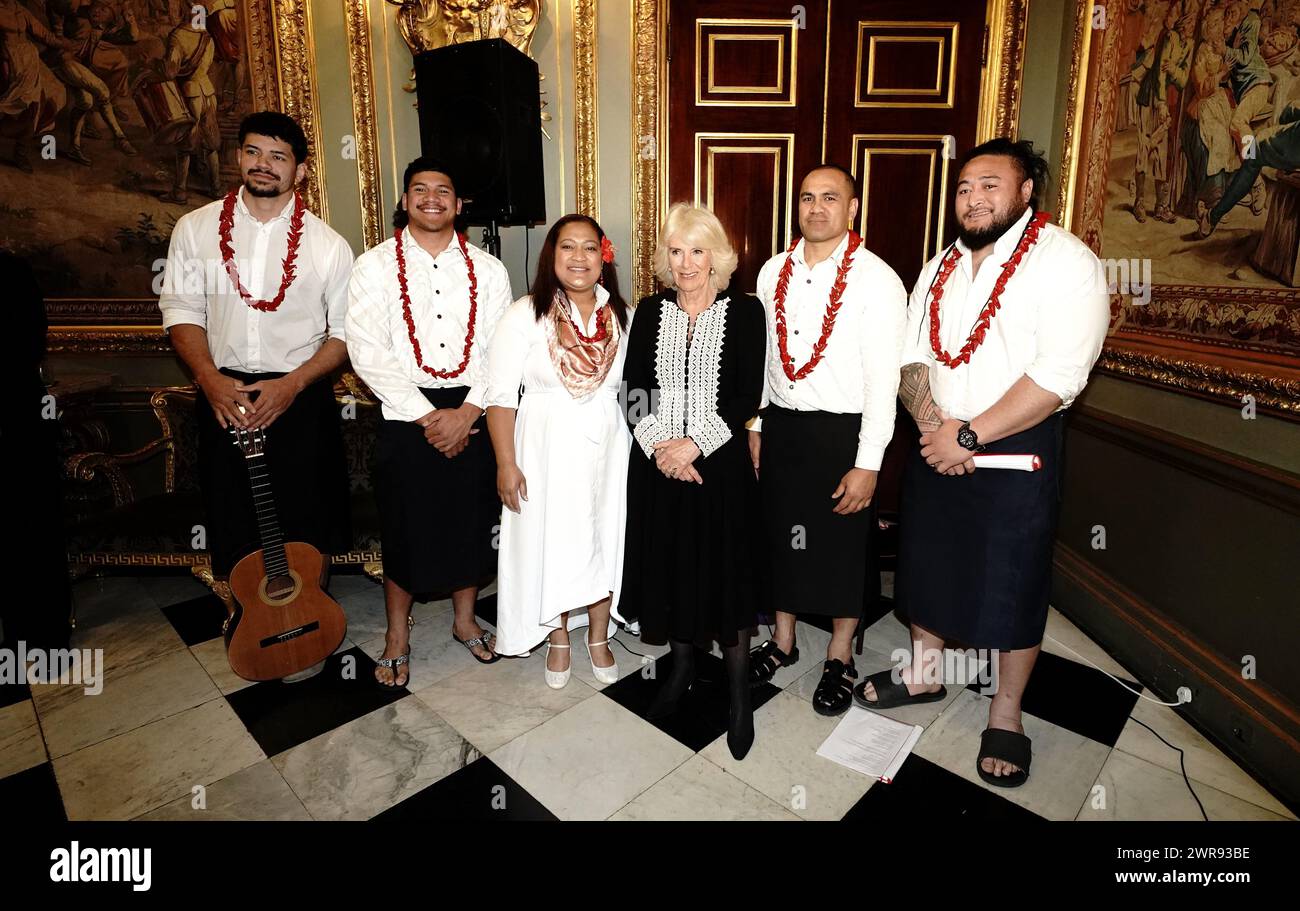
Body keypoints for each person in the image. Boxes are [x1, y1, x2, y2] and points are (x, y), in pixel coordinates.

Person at [856, 138, 1109, 788]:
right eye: (966, 187)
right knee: (926, 568)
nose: (973, 198)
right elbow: (912, 354)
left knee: (1013, 581)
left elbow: (1060, 373)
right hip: (936, 439)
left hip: (1017, 447)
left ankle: (1006, 709)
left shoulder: (1067, 264)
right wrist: (936, 427)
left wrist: (972, 434)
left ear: (1028, 191)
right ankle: (924, 673)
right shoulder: (941, 265)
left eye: (990, 185)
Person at [158, 111, 355, 657]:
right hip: (223, 394)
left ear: (301, 170)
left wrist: (291, 386)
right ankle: (254, 626)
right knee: (234, 513)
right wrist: (209, 380)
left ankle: (308, 620)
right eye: (253, 152)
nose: (263, 165)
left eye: (278, 156)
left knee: (305, 516)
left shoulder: (328, 246)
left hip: (299, 397)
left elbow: (342, 336)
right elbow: (180, 309)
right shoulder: (195, 230)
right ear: (238, 156)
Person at [747, 164, 908, 716]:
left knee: (841, 549)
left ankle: (841, 655)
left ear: (853, 207)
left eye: (830, 198)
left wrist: (869, 464)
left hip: (845, 431)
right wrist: (757, 425)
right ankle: (784, 642)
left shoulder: (878, 280)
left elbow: (884, 383)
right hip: (784, 426)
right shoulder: (772, 272)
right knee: (779, 541)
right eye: (807, 198)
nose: (816, 208)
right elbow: (764, 363)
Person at [346, 158, 513, 686]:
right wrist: (428, 417)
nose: (432, 198)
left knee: (469, 524)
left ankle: (466, 622)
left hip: (473, 411)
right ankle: (397, 635)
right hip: (404, 417)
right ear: (404, 201)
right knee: (405, 528)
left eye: (444, 190)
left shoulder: (489, 270)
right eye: (420, 189)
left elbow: (500, 353)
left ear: (459, 204)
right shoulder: (372, 267)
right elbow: (367, 353)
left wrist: (466, 413)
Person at [618, 203, 765, 760]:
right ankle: (679, 668)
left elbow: (745, 391)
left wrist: (694, 444)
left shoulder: (746, 312)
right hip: (659, 470)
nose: (685, 263)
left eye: (696, 251)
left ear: (717, 258)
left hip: (719, 470)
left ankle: (737, 695)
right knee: (672, 569)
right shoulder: (650, 313)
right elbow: (633, 389)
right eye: (675, 251)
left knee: (723, 575)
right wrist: (661, 446)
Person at [485, 214, 632, 688]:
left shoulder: (622, 316)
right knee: (553, 540)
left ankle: (599, 634)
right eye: (567, 247)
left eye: (589, 248)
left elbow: (636, 390)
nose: (579, 258)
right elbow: (501, 396)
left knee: (605, 536)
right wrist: (506, 464)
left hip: (610, 444)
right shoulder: (526, 313)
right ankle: (558, 636)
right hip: (543, 445)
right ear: (552, 256)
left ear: (603, 257)